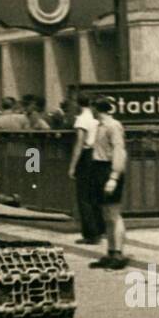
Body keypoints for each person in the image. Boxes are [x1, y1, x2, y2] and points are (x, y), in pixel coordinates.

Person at [90, 95, 128, 269]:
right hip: (98, 168)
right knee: (106, 214)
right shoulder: (99, 126)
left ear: (97, 109)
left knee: (113, 213)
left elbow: (119, 151)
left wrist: (114, 176)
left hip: (108, 168)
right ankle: (111, 251)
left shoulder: (113, 126)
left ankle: (118, 252)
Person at [67, 93, 102, 247]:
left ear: (77, 103)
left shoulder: (81, 120)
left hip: (85, 157)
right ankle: (99, 230)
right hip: (95, 156)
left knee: (83, 197)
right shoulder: (95, 120)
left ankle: (90, 233)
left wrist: (73, 166)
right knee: (93, 194)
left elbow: (79, 144)